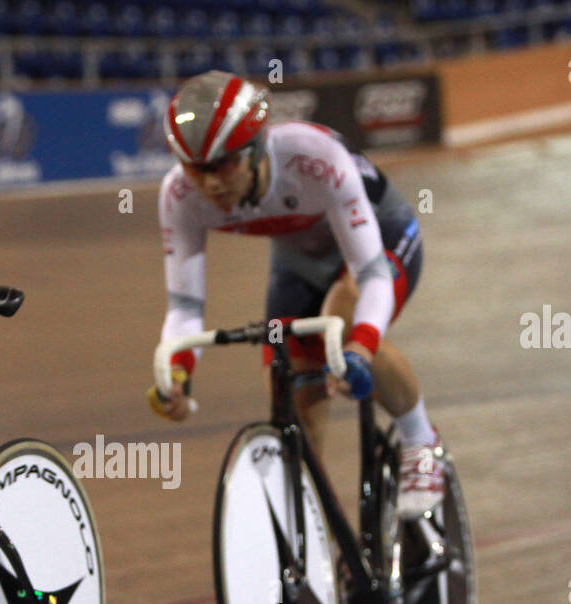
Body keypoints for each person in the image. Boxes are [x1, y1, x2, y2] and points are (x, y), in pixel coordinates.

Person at [149, 70, 443, 518]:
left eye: (224, 164)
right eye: (196, 168)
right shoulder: (178, 195)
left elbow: (371, 275)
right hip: (300, 260)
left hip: (378, 238)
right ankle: (324, 542)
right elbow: (186, 308)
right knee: (291, 399)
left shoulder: (313, 157)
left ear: (256, 150)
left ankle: (420, 441)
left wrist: (361, 348)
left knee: (343, 314)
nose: (210, 184)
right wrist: (179, 373)